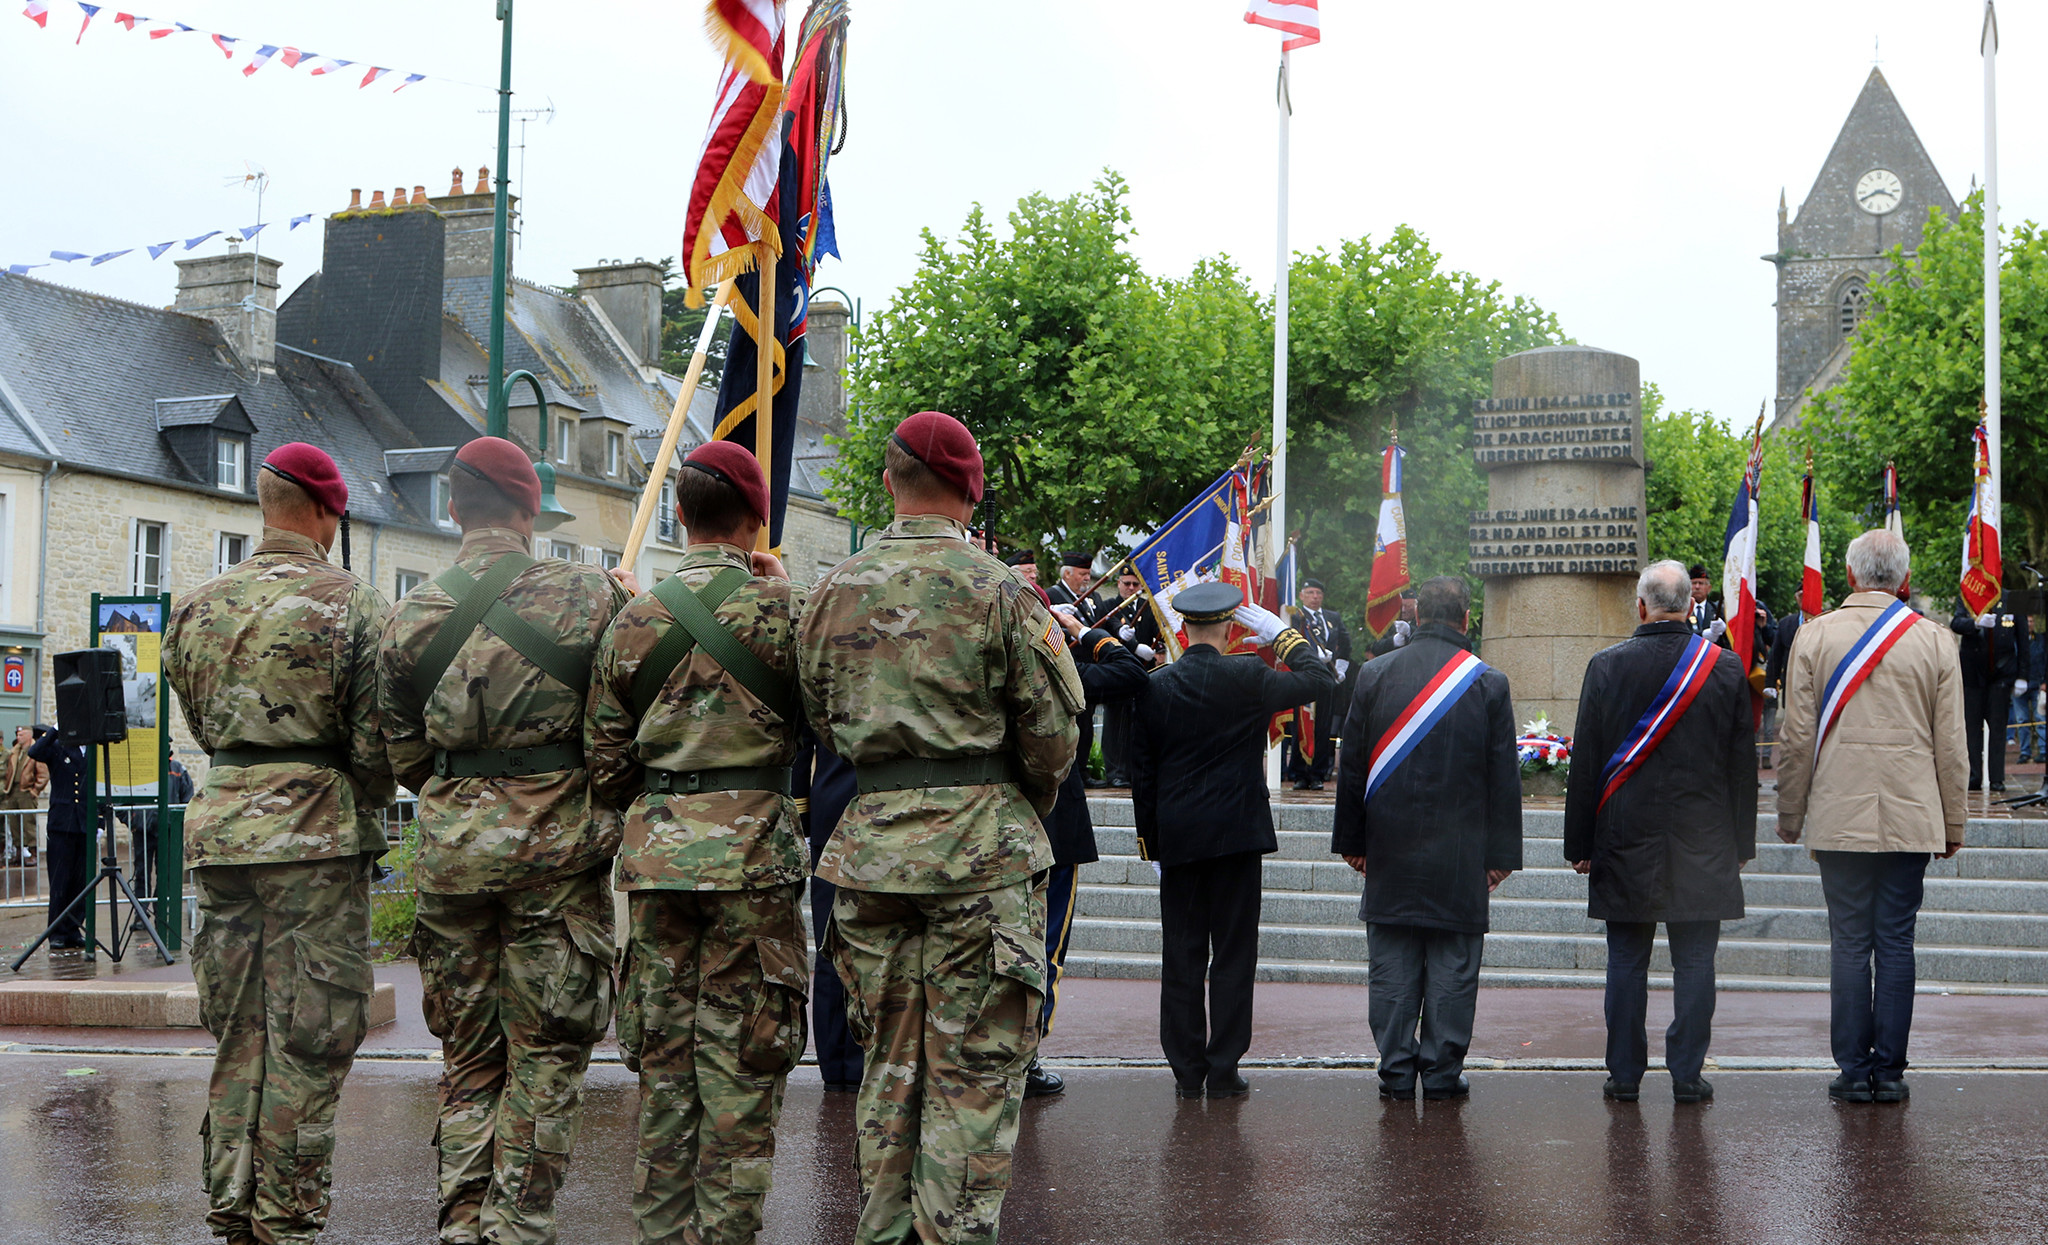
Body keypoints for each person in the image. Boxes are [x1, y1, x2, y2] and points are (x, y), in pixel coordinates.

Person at [797, 410, 1082, 1245]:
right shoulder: (1002, 591)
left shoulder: (831, 591)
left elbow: (820, 719)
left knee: (886, 1074)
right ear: (971, 489)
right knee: (972, 1085)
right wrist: (1008, 797)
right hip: (979, 864)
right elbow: (1056, 736)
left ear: (888, 481)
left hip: (870, 859)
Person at [377, 436, 631, 1245]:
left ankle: (461, 1220)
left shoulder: (410, 613)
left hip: (454, 862)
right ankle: (517, 1226)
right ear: (531, 510)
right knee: (547, 1055)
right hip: (557, 862)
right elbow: (618, 732)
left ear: (453, 507)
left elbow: (405, 751)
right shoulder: (592, 596)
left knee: (469, 1056)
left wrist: (467, 795)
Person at [162, 442, 397, 1245]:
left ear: (266, 506)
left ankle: (231, 1205)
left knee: (239, 1029)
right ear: (329, 512)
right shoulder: (355, 603)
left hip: (222, 833)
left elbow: (201, 729)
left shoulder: (194, 606)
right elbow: (374, 747)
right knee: (311, 1035)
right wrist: (352, 800)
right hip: (315, 840)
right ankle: (285, 1220)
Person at [584, 441, 808, 1245]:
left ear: (680, 513)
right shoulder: (786, 613)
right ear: (756, 522)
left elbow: (606, 766)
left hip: (656, 865)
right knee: (744, 1077)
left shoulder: (633, 619)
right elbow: (826, 727)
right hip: (755, 864)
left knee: (665, 1077)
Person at [1776, 529, 1967, 1104]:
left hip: (1840, 814)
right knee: (1897, 941)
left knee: (1850, 943)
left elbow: (1795, 738)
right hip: (1912, 815)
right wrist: (1953, 821)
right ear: (1903, 579)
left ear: (1851, 575)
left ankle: (1852, 1070)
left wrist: (1790, 812)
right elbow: (1952, 744)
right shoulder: (1935, 641)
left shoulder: (1814, 636)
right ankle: (1890, 1071)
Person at [1562, 560, 1756, 1104]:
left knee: (1626, 962)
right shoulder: (1724, 668)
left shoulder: (1605, 666)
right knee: (1696, 963)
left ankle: (1624, 1075)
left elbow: (1587, 764)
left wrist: (1580, 845)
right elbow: (1742, 766)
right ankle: (1687, 1075)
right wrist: (1743, 843)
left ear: (1640, 607)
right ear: (1691, 607)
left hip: (1624, 839)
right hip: (1706, 839)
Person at [1131, 581, 1333, 1099]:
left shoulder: (1156, 686)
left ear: (1182, 627)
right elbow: (1319, 677)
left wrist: (1151, 845)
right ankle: (1223, 1068)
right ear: (1230, 627)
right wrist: (1280, 633)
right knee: (1234, 956)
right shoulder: (1248, 674)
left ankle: (1185, 1069)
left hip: (1179, 839)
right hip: (1237, 837)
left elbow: (1144, 777)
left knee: (1182, 957)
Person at [1331, 575, 1519, 1102]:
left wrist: (1353, 841)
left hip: (1389, 848)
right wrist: (1500, 856)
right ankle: (1440, 1074)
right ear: (1465, 620)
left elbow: (1351, 768)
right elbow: (1503, 776)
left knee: (1391, 966)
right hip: (1462, 853)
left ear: (1414, 618)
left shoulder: (1373, 674)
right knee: (1453, 969)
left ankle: (1395, 1070)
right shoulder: (1488, 682)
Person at [1031, 603, 1150, 1097]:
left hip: (993, 820)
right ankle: (1025, 1054)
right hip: (1054, 821)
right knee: (1045, 946)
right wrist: (1081, 630)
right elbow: (1130, 673)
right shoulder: (1059, 662)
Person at [1952, 595, 2030, 792]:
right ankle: (1973, 776)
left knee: (1998, 729)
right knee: (1971, 729)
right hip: (1973, 674)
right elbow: (1956, 623)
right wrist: (1975, 623)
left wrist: (2023, 675)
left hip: (2002, 673)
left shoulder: (2013, 598)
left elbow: (2023, 641)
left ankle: (1997, 778)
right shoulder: (1968, 595)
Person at [1282, 579, 1352, 790]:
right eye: (1310, 592)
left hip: (1326, 679)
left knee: (1323, 726)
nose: (1315, 596)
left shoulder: (1332, 617)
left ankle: (1318, 774)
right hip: (1303, 678)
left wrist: (1340, 667)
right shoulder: (1294, 617)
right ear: (1301, 595)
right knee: (1301, 725)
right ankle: (1299, 772)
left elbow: (1346, 643)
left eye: (1318, 593)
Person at [1100, 566, 1160, 788]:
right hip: (1116, 675)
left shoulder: (1148, 608)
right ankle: (1115, 772)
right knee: (1116, 725)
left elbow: (1157, 633)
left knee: (1139, 725)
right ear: (1118, 584)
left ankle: (1136, 771)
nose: (1131, 588)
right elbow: (1108, 626)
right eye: (1127, 584)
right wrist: (1132, 644)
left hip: (1142, 675)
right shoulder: (1109, 606)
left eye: (1135, 585)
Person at [28, 724, 87, 950]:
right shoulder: (58, 747)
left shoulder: (93, 751)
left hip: (84, 824)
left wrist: (99, 822)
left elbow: (97, 788)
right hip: (62, 824)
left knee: (80, 883)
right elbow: (34, 752)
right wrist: (56, 727)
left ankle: (73, 929)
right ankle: (56, 932)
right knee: (60, 881)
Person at [3, 723, 47, 867]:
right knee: (15, 824)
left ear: (29, 735)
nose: (18, 737)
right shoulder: (15, 752)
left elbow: (43, 774)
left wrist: (35, 791)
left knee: (28, 824)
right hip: (13, 790)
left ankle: (33, 853)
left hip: (27, 791)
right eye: (17, 735)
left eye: (21, 735)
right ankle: (17, 852)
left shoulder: (35, 751)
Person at [1047, 552, 1102, 623]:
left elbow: (1107, 622)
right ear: (1067, 574)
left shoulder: (1095, 596)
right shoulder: (1051, 596)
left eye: (1089, 574)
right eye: (1083, 574)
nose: (1087, 578)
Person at [1687, 566, 1724, 640]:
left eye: (1701, 583)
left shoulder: (1718, 610)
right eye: (1694, 583)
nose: (1697, 587)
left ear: (1709, 588)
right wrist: (1703, 635)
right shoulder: (1681, 610)